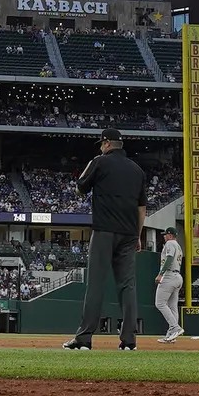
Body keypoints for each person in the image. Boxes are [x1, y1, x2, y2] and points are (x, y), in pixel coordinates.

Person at [65, 127, 147, 351]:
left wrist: (91, 165)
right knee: (128, 286)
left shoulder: (99, 162)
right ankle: (129, 341)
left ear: (107, 144)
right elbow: (142, 209)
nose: (101, 147)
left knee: (96, 285)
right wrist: (138, 235)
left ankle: (84, 339)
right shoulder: (137, 170)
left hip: (104, 232)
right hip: (130, 234)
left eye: (102, 144)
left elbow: (80, 188)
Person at [154, 227, 184, 343]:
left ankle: (175, 328)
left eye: (166, 234)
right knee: (172, 307)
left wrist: (161, 274)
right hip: (177, 277)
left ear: (170, 235)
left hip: (169, 276)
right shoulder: (178, 245)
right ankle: (171, 335)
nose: (164, 236)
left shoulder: (170, 243)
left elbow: (170, 258)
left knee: (160, 303)